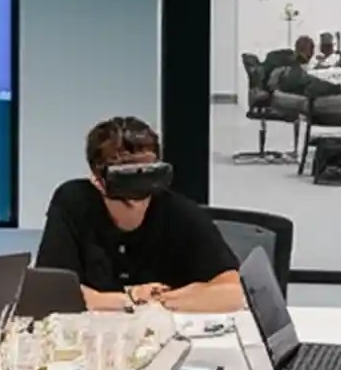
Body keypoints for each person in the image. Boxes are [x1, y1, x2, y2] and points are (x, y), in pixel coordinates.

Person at [35, 117, 243, 313]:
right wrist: (131, 299)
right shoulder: (73, 203)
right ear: (98, 180)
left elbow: (233, 292)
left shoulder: (179, 212)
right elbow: (48, 292)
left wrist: (159, 302)